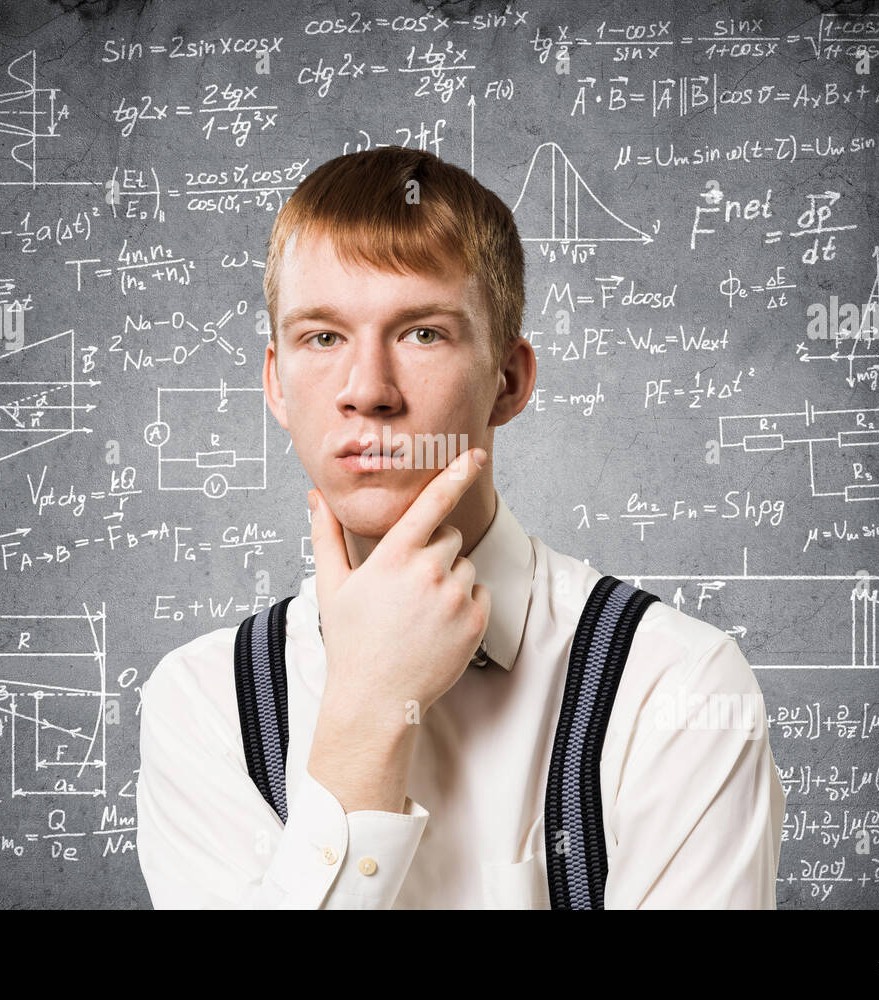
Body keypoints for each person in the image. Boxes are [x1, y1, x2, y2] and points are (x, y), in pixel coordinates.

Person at [136, 147, 785, 908]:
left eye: (422, 334)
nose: (368, 392)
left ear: (507, 381)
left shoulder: (673, 685)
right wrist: (370, 710)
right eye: (323, 337)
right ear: (277, 382)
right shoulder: (206, 703)